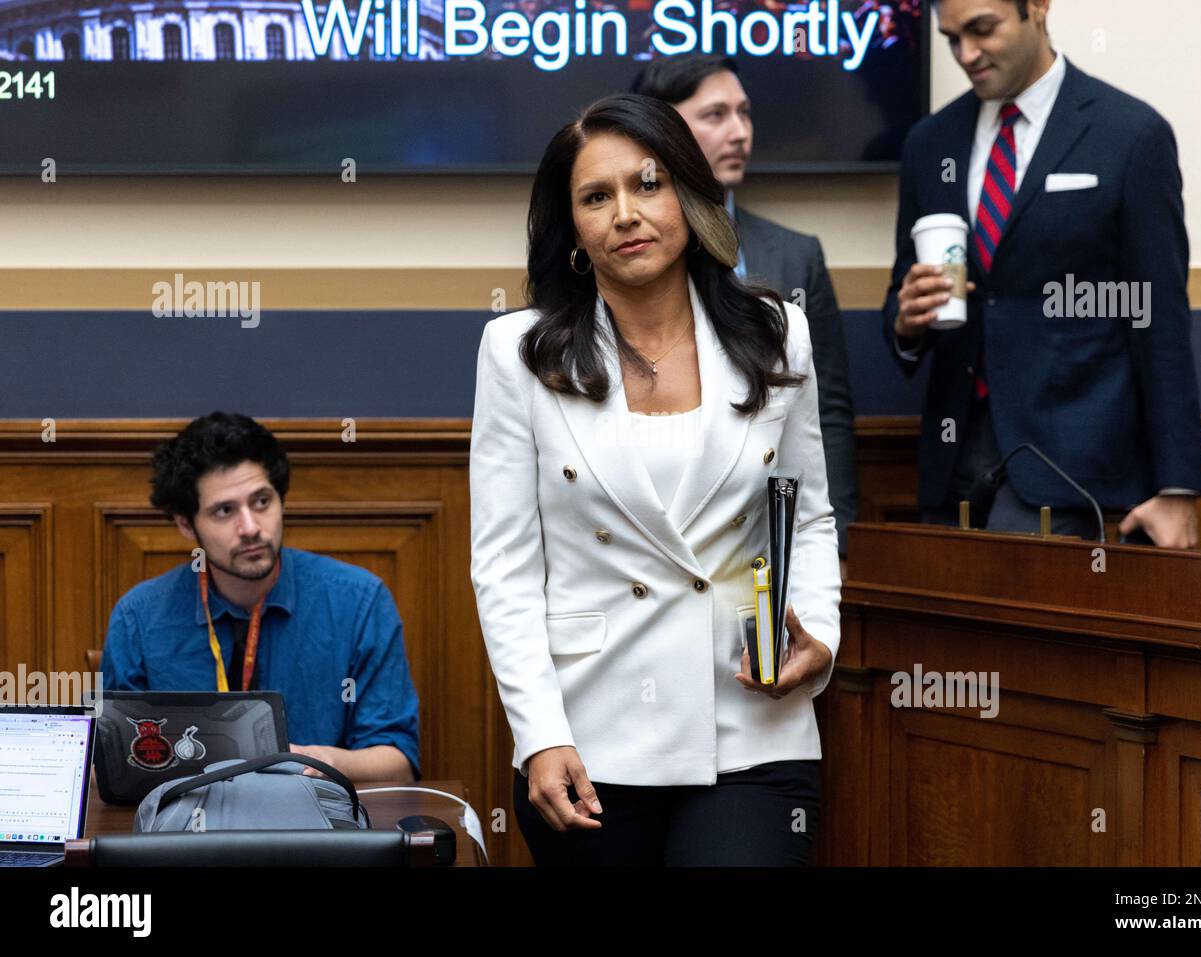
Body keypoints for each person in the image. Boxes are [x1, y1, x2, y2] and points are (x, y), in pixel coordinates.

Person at [470, 94, 841, 865]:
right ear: (572, 228)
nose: (625, 214)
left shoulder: (778, 332)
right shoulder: (517, 353)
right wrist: (540, 736)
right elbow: (503, 566)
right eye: (595, 198)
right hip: (589, 741)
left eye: (647, 184)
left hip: (750, 727)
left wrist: (820, 637)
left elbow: (804, 513)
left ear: (689, 196)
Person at [882, 0, 1201, 545]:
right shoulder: (929, 143)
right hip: (953, 462)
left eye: (983, 30)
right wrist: (905, 320)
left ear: (1037, 7)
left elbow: (1159, 320)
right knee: (950, 632)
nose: (967, 54)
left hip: (1073, 469)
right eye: (952, 38)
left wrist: (1178, 488)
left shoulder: (1129, 134)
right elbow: (900, 293)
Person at [101, 412, 420, 783]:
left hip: (319, 821)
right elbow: (108, 765)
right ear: (186, 524)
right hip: (185, 825)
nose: (250, 528)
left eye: (262, 502)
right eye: (224, 511)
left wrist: (317, 759)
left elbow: (399, 762)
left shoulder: (359, 601)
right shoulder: (138, 617)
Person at [633, 55, 859, 562]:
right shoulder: (625, 251)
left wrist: (838, 542)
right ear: (660, 131)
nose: (739, 132)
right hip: (655, 528)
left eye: (745, 113)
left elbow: (832, 414)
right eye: (715, 115)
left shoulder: (796, 255)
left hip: (769, 532)